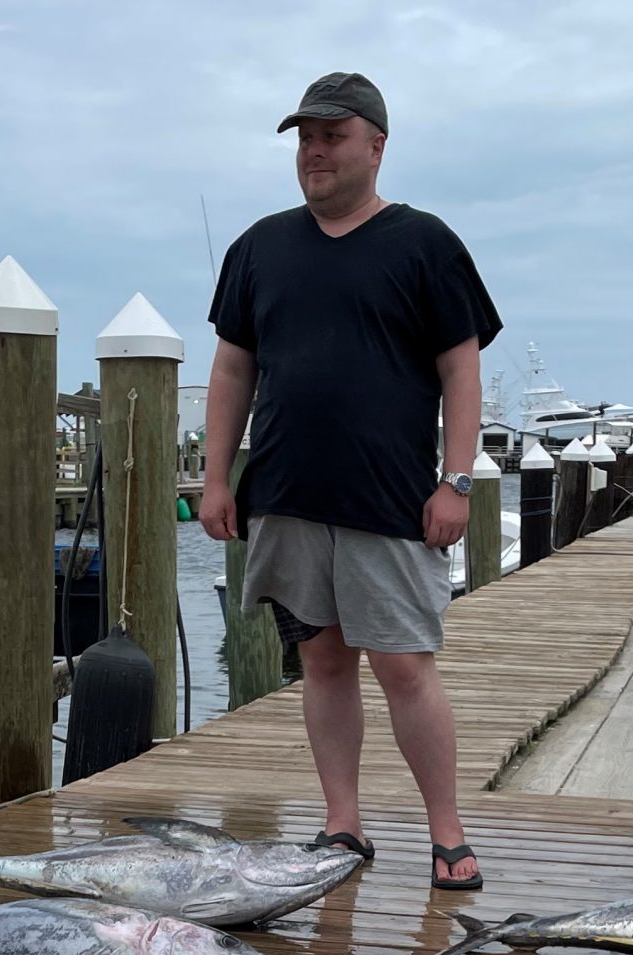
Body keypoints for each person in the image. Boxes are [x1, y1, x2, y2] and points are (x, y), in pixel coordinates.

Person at [201, 71, 501, 890]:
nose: (314, 152)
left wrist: (458, 481)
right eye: (305, 138)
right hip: (288, 496)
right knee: (323, 664)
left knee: (405, 666)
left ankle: (447, 832)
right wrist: (215, 477)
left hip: (392, 500)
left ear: (376, 144)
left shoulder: (424, 243)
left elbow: (461, 369)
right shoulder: (259, 247)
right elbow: (233, 368)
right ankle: (343, 825)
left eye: (331, 136)